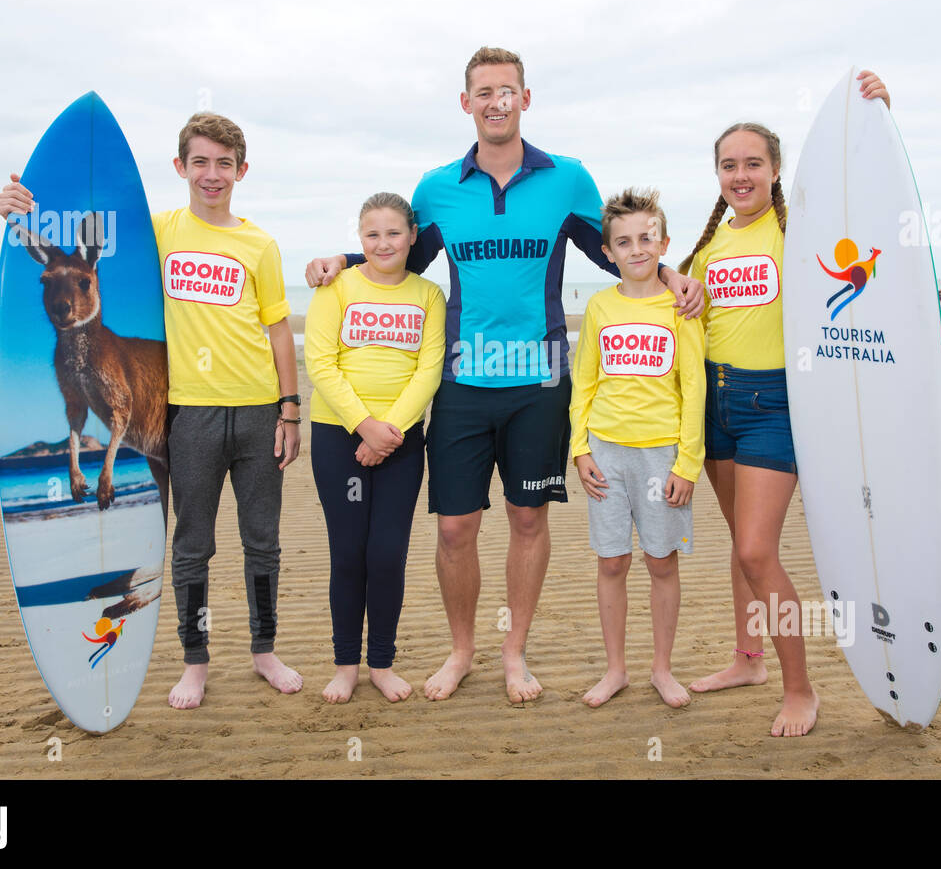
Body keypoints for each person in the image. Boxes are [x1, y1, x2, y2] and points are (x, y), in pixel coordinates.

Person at [304, 47, 706, 704]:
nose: (496, 102)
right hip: (463, 383)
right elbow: (404, 254)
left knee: (526, 519)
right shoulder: (437, 188)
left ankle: (513, 653)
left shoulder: (567, 179)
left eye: (507, 91)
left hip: (540, 385)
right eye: (483, 92)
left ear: (525, 98)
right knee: (456, 528)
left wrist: (671, 275)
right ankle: (462, 652)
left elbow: (615, 255)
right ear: (466, 104)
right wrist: (342, 258)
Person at [0, 112, 304, 710]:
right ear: (180, 168)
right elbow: (77, 232)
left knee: (261, 539)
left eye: (223, 164)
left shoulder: (260, 244)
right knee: (191, 544)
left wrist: (290, 410)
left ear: (241, 171)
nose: (211, 174)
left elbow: (278, 331)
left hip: (258, 411)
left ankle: (264, 650)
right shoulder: (155, 233)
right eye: (200, 162)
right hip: (186, 413)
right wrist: (14, 211)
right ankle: (196, 661)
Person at [681, 71, 891, 738]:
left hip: (774, 403)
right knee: (743, 551)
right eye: (728, 165)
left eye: (753, 163)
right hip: (716, 402)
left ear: (776, 171)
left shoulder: (799, 231)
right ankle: (750, 662)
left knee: (755, 550)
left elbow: (868, 218)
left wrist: (878, 121)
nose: (739, 175)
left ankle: (800, 687)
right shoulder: (710, 245)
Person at [305, 192, 446, 704]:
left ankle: (381, 663)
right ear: (359, 240)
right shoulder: (336, 286)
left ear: (413, 236)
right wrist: (363, 426)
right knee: (349, 554)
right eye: (372, 234)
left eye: (393, 233)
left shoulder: (429, 295)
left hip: (402, 441)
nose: (383, 243)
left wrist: (389, 432)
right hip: (337, 435)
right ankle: (345, 665)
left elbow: (429, 370)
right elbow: (321, 364)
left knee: (387, 555)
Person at [570, 189, 705, 709]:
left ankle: (663, 670)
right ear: (608, 252)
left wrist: (687, 464)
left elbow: (693, 388)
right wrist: (580, 450)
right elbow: (584, 383)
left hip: (662, 456)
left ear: (664, 242)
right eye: (623, 242)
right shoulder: (602, 306)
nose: (637, 249)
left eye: (647, 239)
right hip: (606, 453)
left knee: (661, 561)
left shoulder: (681, 306)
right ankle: (615, 670)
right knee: (611, 563)